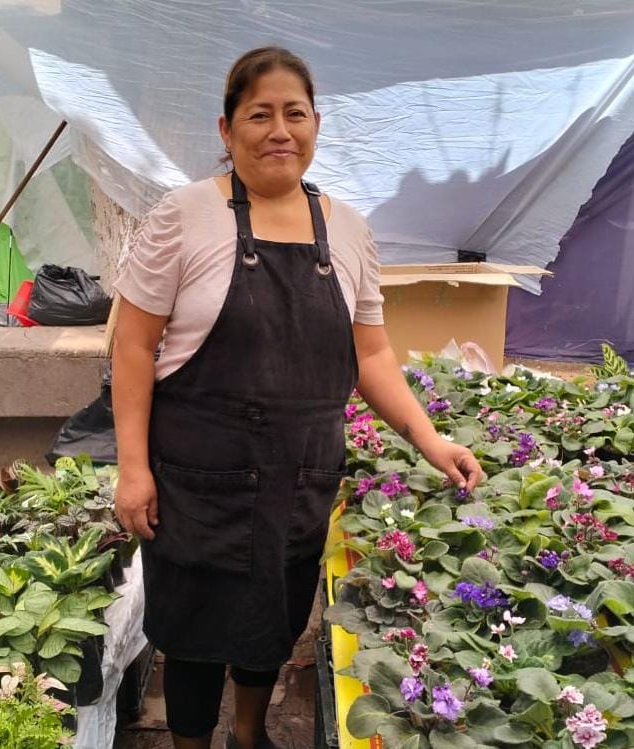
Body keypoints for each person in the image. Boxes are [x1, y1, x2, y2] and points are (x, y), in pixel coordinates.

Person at [112, 47, 482, 749]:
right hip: (198, 473)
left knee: (272, 617)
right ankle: (190, 740)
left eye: (294, 113)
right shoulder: (182, 216)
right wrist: (133, 468)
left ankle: (249, 734)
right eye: (259, 114)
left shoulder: (346, 229)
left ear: (315, 124)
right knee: (190, 632)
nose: (278, 130)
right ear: (226, 129)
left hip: (298, 470)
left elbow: (370, 352)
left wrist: (430, 439)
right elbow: (132, 347)